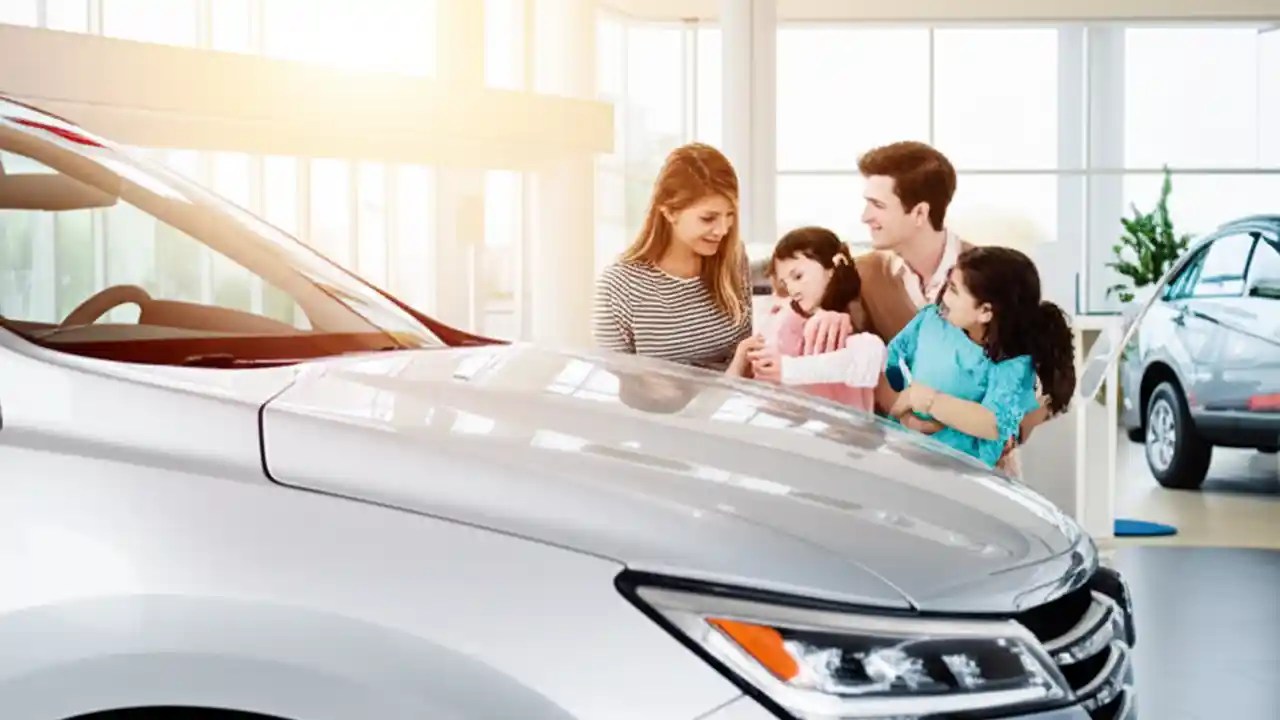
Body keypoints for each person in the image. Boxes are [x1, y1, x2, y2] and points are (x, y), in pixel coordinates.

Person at [883, 246, 1076, 471]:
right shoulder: (932, 322)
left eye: (954, 290)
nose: (944, 296)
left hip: (969, 475)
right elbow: (893, 359)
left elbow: (993, 423)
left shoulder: (1013, 363)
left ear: (985, 311)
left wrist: (925, 399)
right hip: (912, 458)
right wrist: (904, 410)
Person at [592, 143, 751, 371]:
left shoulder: (734, 259)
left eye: (730, 215)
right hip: (657, 408)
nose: (723, 230)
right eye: (708, 218)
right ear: (669, 211)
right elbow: (612, 385)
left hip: (739, 405)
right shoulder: (619, 286)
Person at [728, 226, 887, 414]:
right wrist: (740, 361)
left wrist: (787, 369)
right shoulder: (782, 320)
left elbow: (870, 359)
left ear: (832, 268)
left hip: (837, 434)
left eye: (798, 276)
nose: (792, 290)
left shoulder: (846, 321)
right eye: (786, 282)